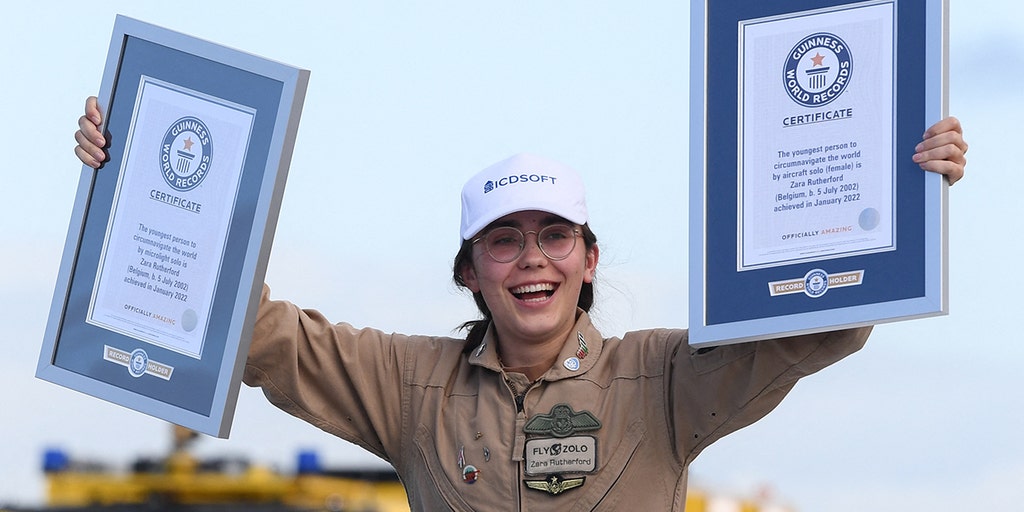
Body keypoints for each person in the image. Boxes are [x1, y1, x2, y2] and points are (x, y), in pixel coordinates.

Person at [75, 97, 966, 510]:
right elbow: (253, 330)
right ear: (469, 271)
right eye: (504, 240)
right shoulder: (405, 383)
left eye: (553, 236)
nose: (530, 259)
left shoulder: (664, 375)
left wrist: (908, 183)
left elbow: (822, 324)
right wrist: (137, 177)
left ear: (588, 259)